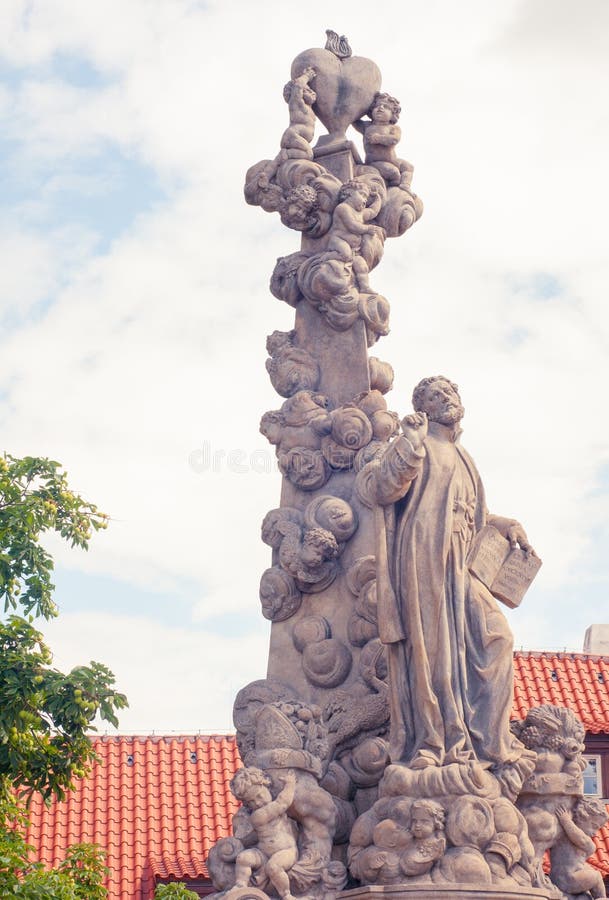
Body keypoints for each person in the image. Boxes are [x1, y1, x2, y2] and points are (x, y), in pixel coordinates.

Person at [357, 375, 535, 775]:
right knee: (433, 651)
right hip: (425, 559)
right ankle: (435, 741)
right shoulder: (418, 446)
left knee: (496, 637)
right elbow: (383, 489)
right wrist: (411, 443)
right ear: (424, 407)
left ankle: (489, 741)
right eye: (436, 395)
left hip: (464, 560)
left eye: (450, 392)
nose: (447, 398)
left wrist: (504, 523)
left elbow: (471, 513)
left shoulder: (463, 455)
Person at [229, 767, 298, 900]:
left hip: (286, 851)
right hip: (263, 853)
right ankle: (240, 885)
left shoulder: (264, 812)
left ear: (266, 784)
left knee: (274, 867)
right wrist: (290, 784)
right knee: (243, 858)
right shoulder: (258, 816)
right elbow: (283, 803)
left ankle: (286, 894)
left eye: (259, 796)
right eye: (251, 802)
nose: (258, 803)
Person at [353, 93, 414, 188]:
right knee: (394, 173)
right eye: (377, 106)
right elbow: (354, 120)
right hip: (375, 162)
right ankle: (392, 184)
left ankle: (405, 185)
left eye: (386, 107)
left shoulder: (393, 128)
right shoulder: (367, 126)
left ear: (393, 114)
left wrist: (378, 138)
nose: (380, 108)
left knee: (409, 167)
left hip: (393, 160)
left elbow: (394, 139)